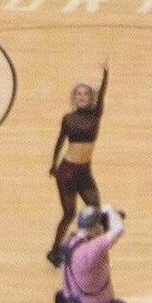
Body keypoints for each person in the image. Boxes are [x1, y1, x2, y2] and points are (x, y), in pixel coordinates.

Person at [51, 75, 115, 262]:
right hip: (68, 170)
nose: (81, 96)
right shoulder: (68, 118)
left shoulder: (96, 115)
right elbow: (60, 141)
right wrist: (53, 164)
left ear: (91, 97)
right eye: (78, 94)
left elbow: (103, 94)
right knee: (69, 213)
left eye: (85, 93)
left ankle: (91, 248)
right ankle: (55, 249)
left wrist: (105, 75)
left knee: (94, 207)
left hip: (85, 171)